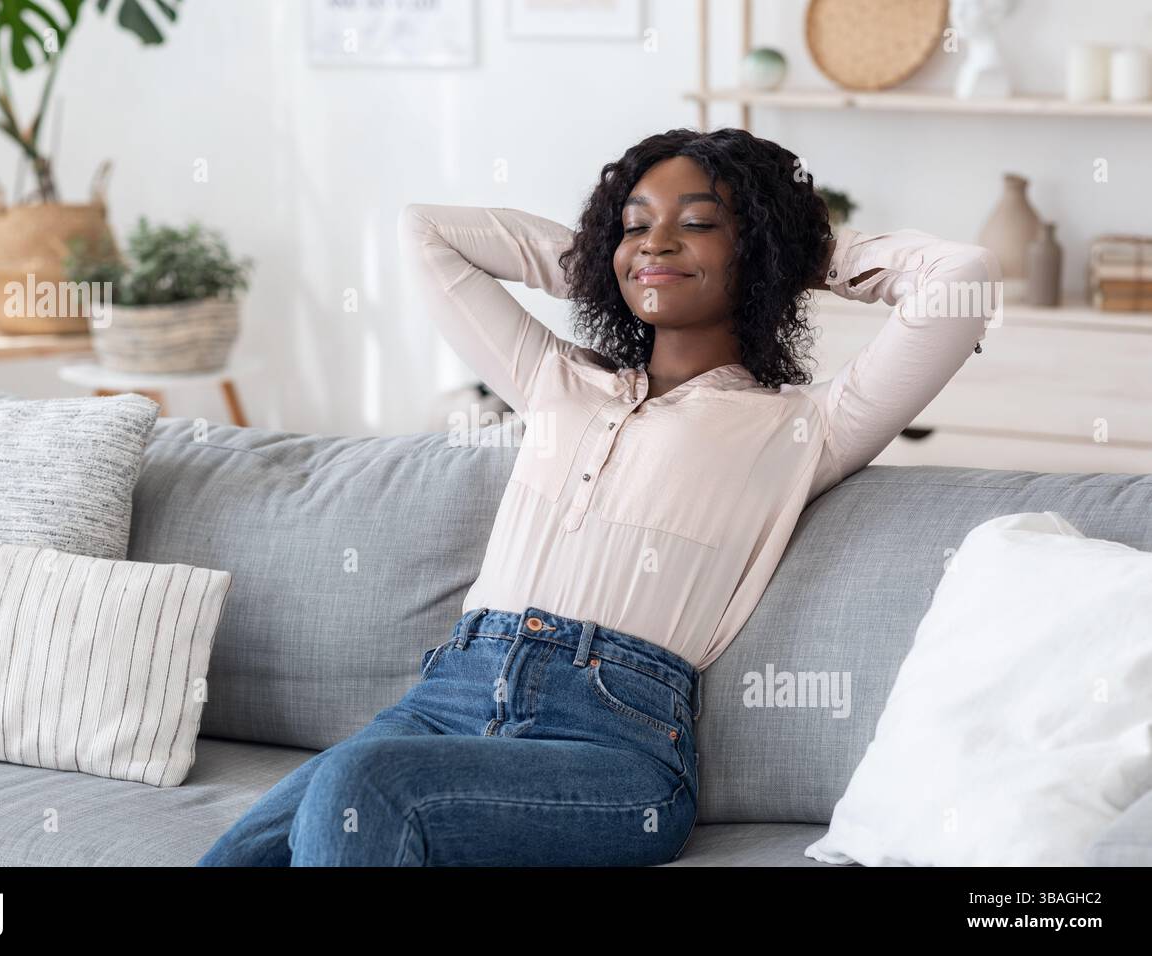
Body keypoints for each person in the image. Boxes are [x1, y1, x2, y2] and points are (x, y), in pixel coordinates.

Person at [197, 126, 999, 867]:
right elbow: (427, 232)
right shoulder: (557, 382)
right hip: (444, 704)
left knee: (361, 787)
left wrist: (789, 248)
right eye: (636, 222)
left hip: (613, 742)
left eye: (699, 221)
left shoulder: (805, 426)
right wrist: (611, 263)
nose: (656, 240)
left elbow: (959, 279)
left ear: (757, 245)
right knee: (238, 854)